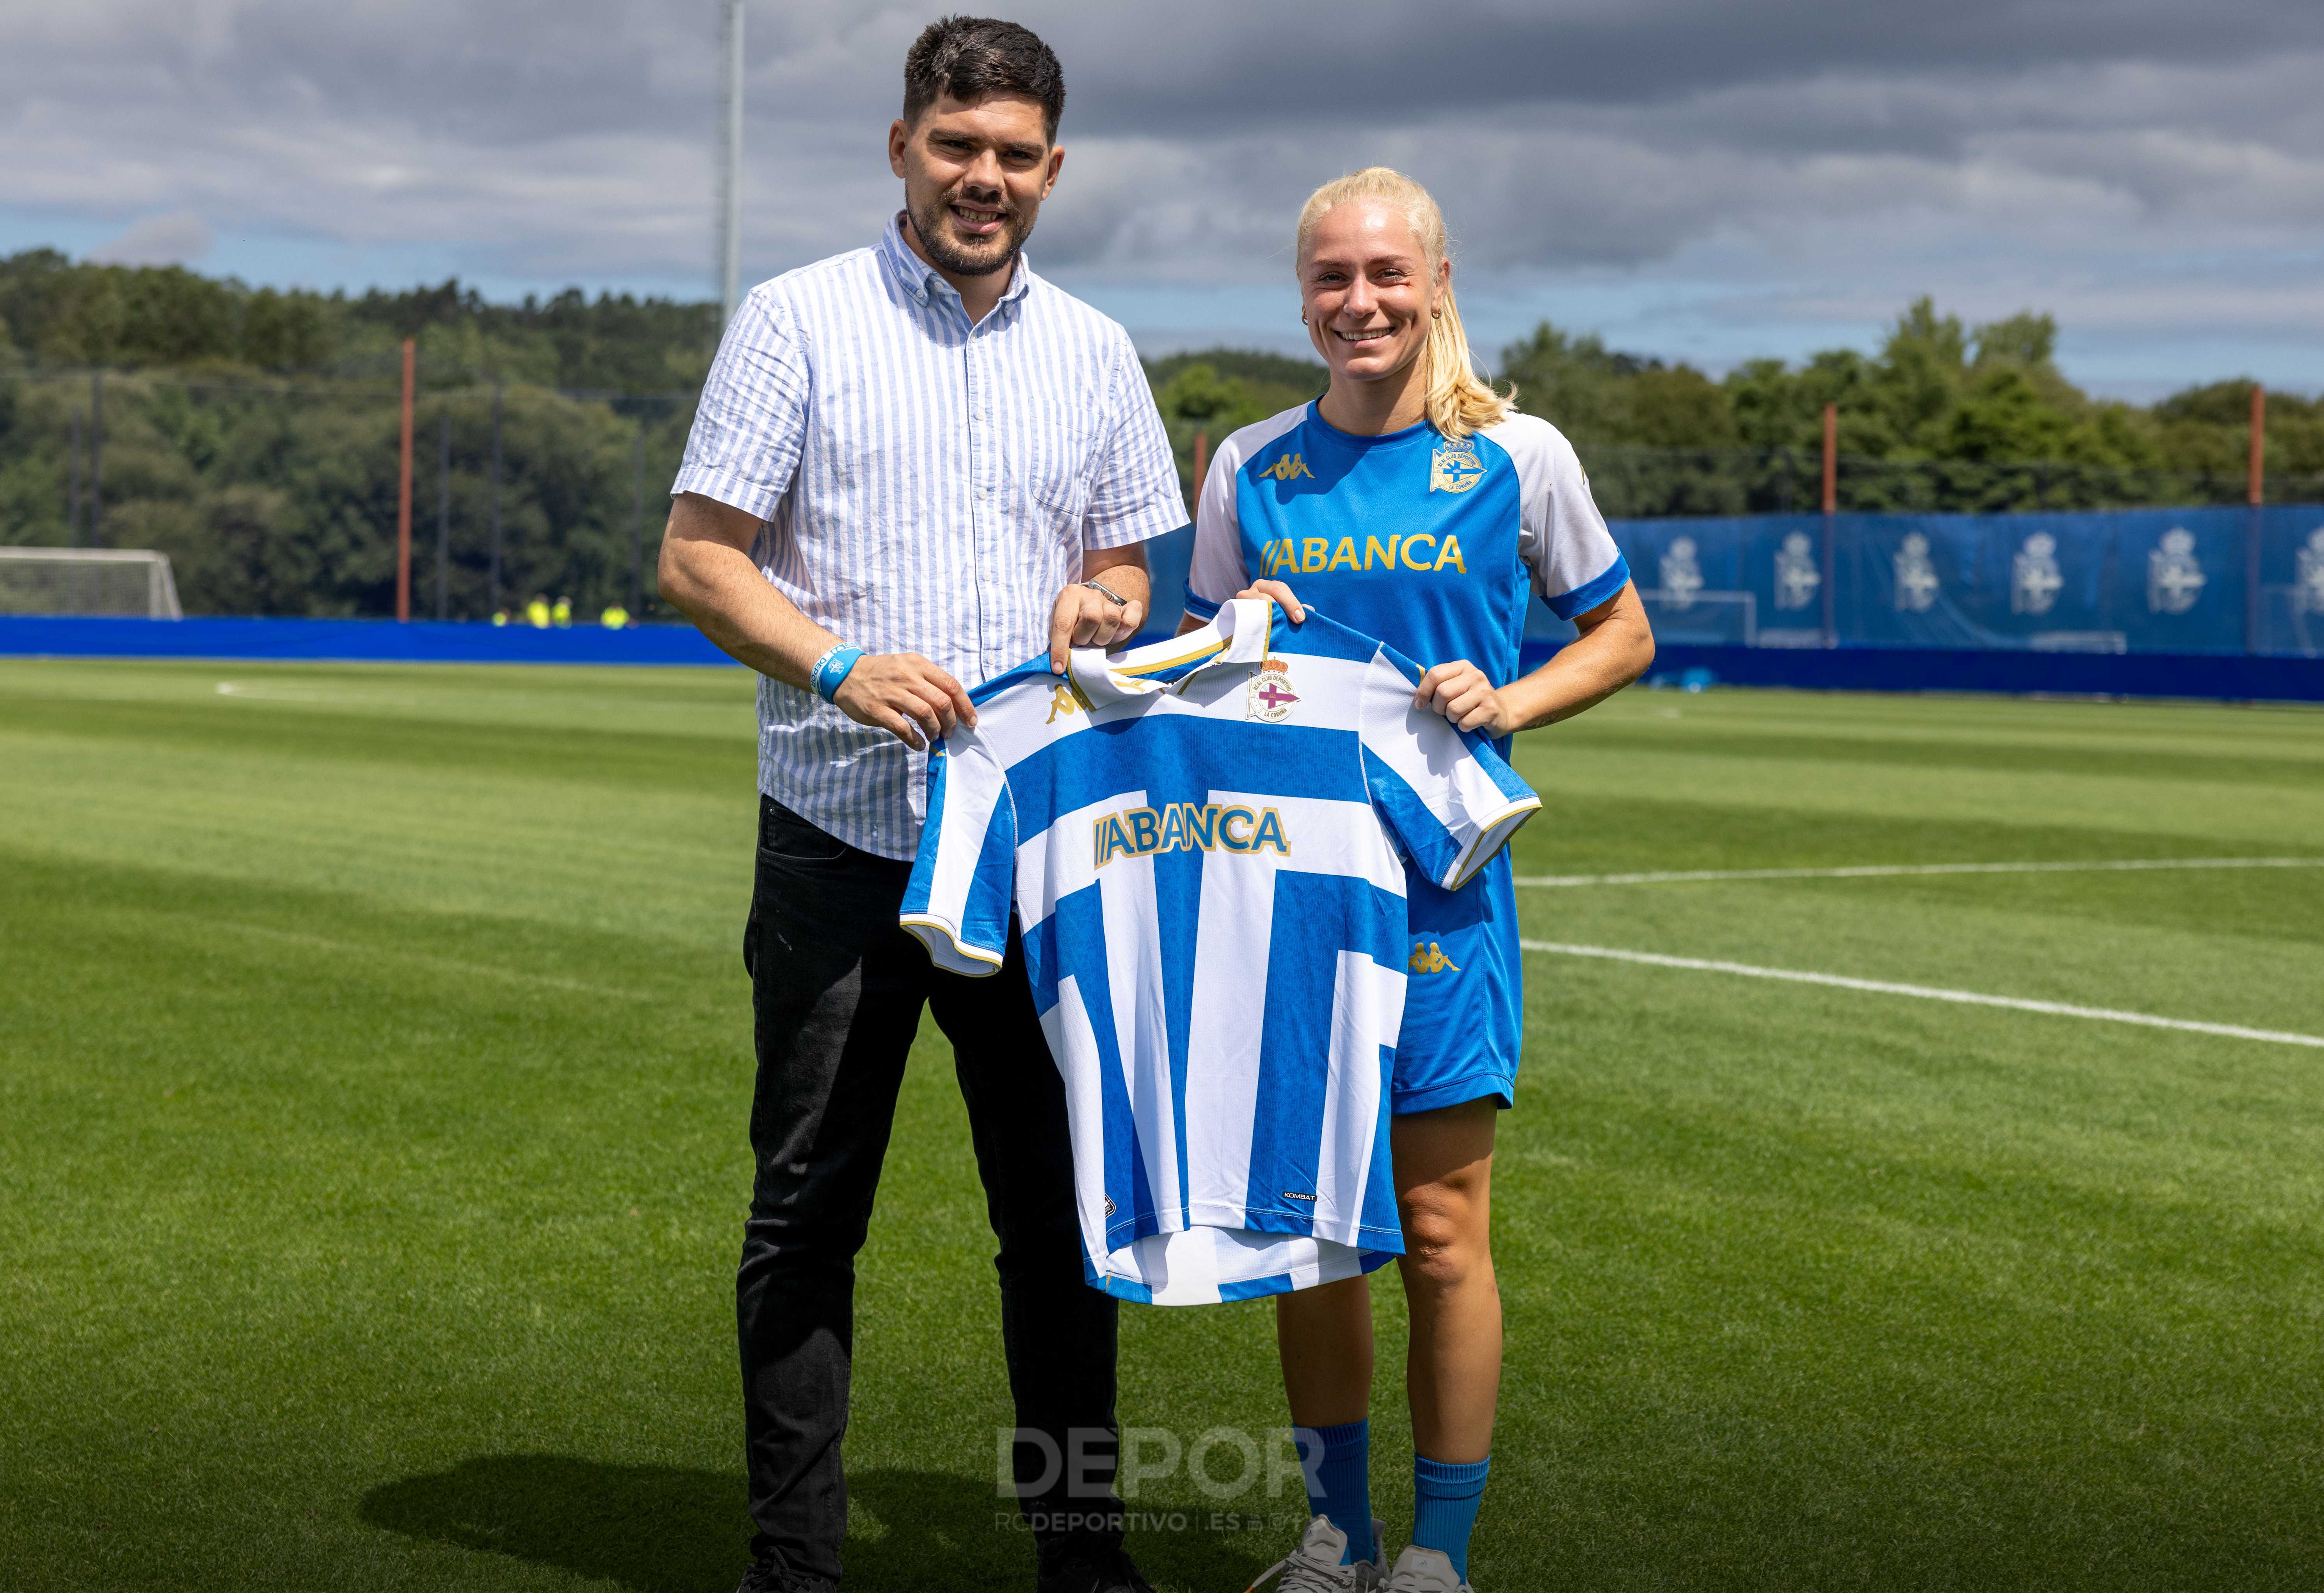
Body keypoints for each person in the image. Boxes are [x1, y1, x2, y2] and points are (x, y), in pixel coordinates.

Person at [656, 17, 1184, 1593]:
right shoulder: (794, 321)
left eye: (1014, 155)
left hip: (1032, 851)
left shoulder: (1092, 347)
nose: (984, 179)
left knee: (1060, 1222)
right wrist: (835, 663)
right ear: (901, 147)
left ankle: (1081, 1558)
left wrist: (1101, 604)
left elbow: (1127, 565)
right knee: (807, 1219)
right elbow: (697, 557)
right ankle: (794, 1569)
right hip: (838, 835)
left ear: (1052, 168)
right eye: (956, 147)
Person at [1185, 167, 1654, 1593]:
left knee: (1443, 1236)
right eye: (1333, 277)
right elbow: (1203, 676)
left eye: (1388, 274)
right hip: (1288, 901)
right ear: (1304, 294)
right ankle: (1338, 1534)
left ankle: (1439, 1552)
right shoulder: (1249, 468)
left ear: (1439, 283)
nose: (1361, 302)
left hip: (1444, 896)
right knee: (1314, 1232)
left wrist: (1512, 702)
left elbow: (1623, 631)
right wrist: (1231, 633)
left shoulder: (1521, 455)